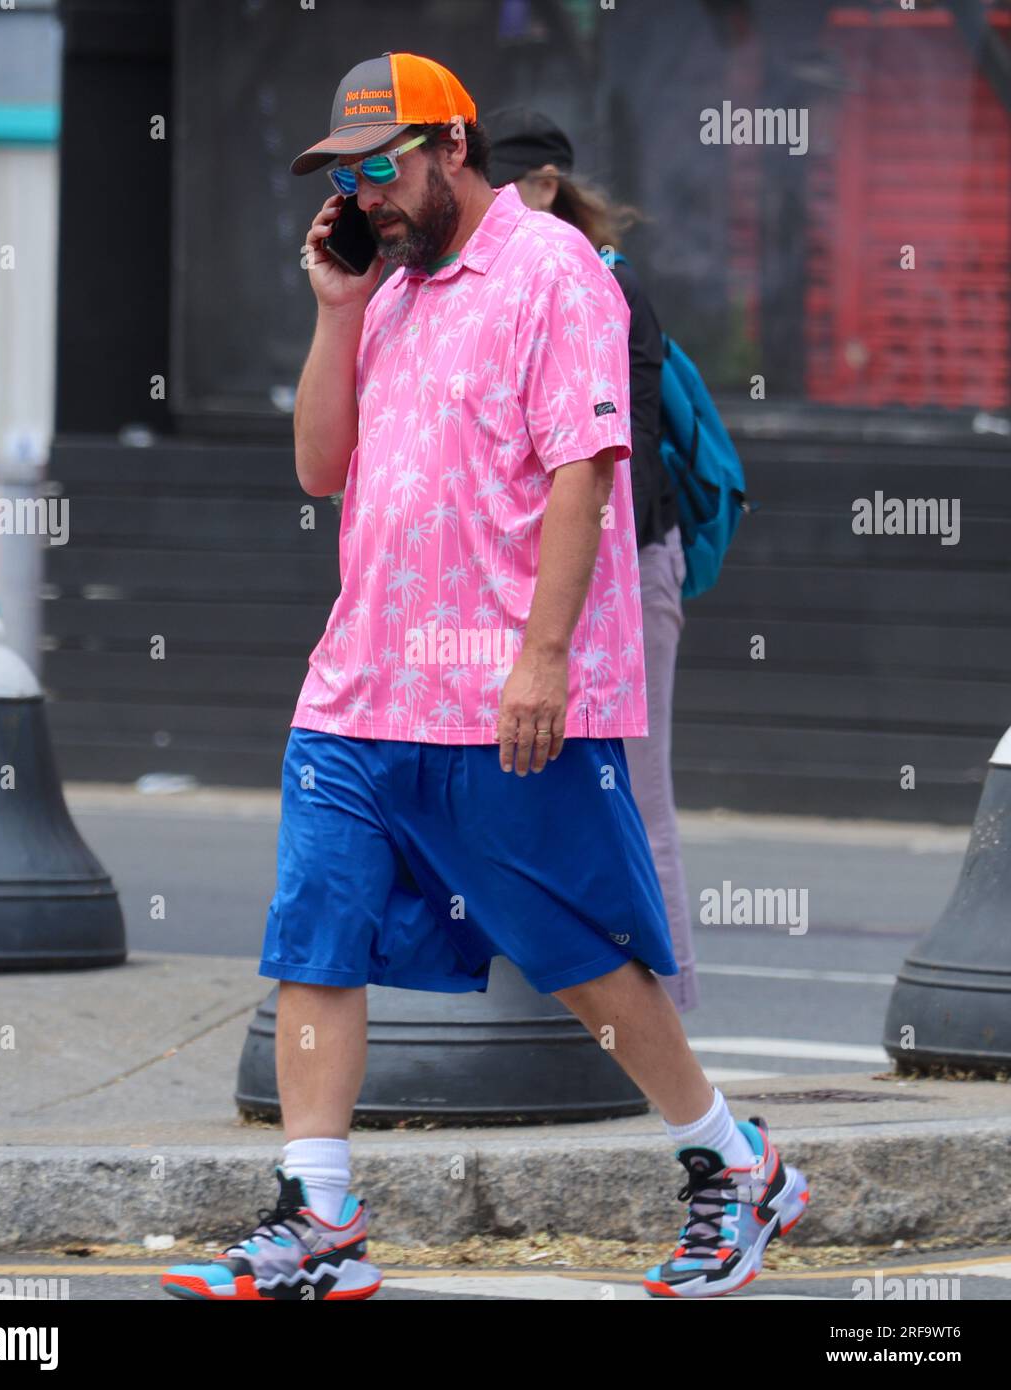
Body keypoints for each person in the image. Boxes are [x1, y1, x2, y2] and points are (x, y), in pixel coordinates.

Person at [162, 52, 808, 1303]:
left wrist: (546, 659)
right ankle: (319, 1212)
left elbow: (587, 468)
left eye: (380, 165)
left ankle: (734, 1162)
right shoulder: (386, 292)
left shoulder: (553, 273)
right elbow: (317, 467)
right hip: (359, 686)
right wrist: (335, 310)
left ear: (452, 146)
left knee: (576, 953)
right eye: (344, 173)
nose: (362, 194)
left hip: (500, 691)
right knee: (316, 937)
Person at [485, 108, 698, 1014]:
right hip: (551, 583)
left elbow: (625, 469)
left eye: (504, 188)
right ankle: (567, 1021)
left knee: (637, 802)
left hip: (628, 567)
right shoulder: (503, 286)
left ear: (541, 187)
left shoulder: (597, 284)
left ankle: (673, 1025)